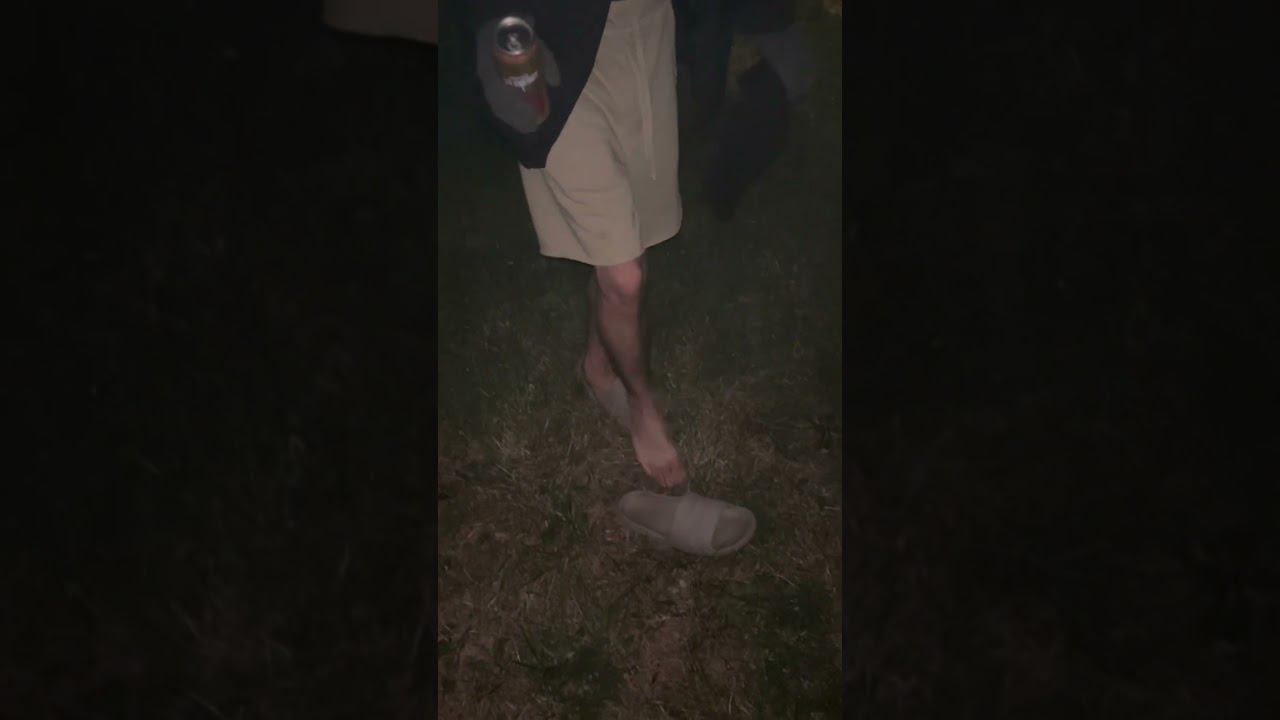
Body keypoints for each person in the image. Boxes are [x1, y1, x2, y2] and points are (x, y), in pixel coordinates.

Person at [470, 0, 687, 488]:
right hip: (554, 46)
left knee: (629, 239)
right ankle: (642, 405)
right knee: (625, 275)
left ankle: (597, 363)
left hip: (644, 33)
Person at [675, 0, 814, 220]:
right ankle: (719, 187)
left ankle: (721, 186)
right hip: (706, 25)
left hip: (751, 23)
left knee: (782, 93)